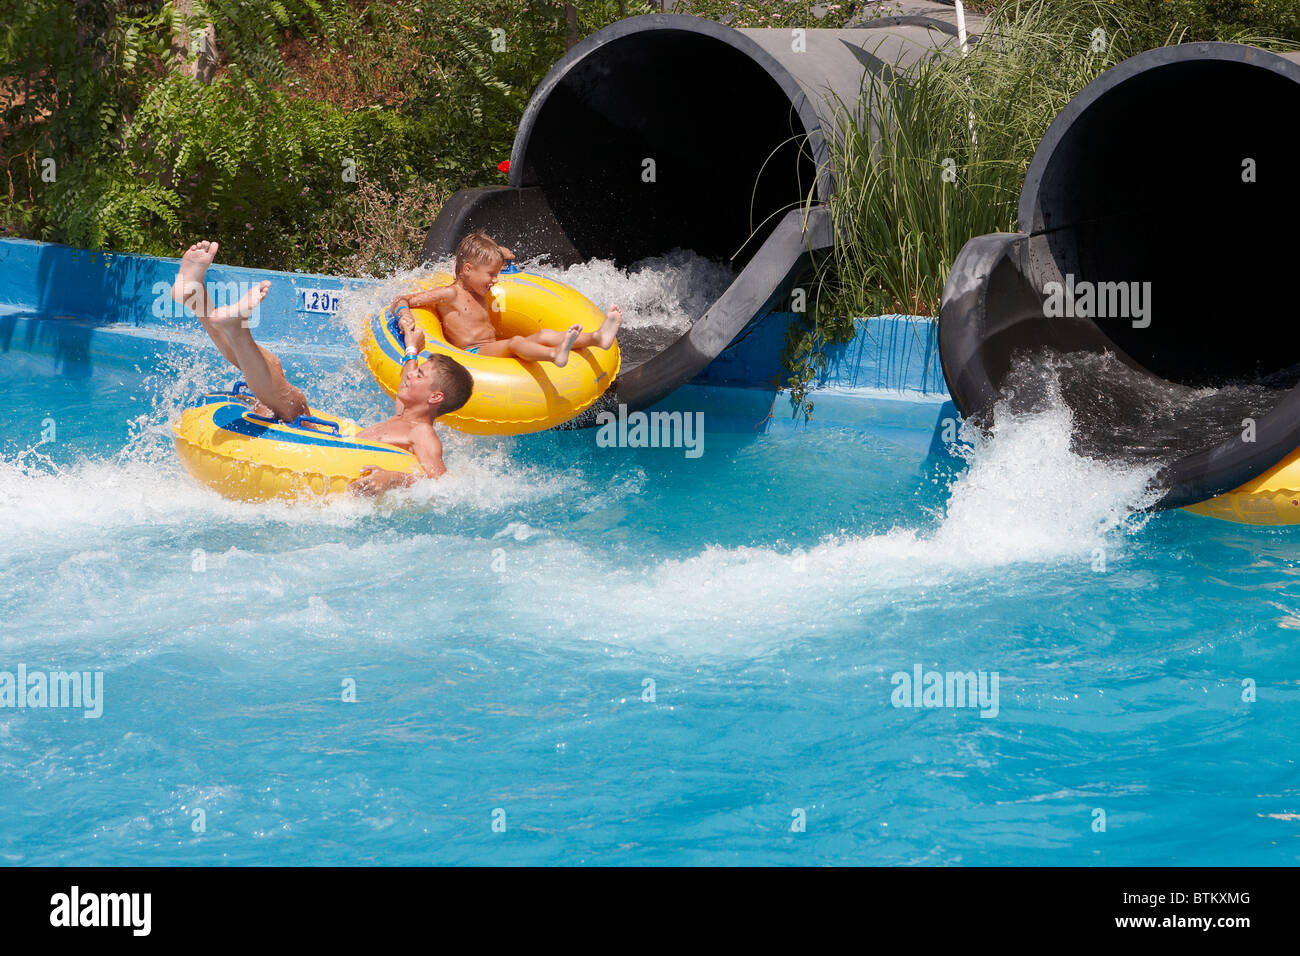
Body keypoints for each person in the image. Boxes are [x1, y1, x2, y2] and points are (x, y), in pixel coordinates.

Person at [171, 239, 473, 494]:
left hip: (324, 450)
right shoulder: (403, 412)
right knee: (273, 369)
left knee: (295, 402)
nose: (410, 374)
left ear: (435, 398)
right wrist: (410, 344)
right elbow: (410, 366)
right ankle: (197, 297)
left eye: (419, 375)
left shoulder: (424, 435)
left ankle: (222, 317)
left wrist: (393, 477)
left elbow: (438, 482)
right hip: (324, 440)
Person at [386, 231, 623, 367]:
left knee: (543, 334)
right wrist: (404, 313)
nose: (495, 280)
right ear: (467, 269)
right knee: (515, 342)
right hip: (473, 354)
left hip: (489, 347)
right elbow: (403, 298)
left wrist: (501, 254)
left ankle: (597, 337)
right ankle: (554, 355)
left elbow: (484, 250)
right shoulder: (450, 294)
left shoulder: (477, 287)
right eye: (491, 274)